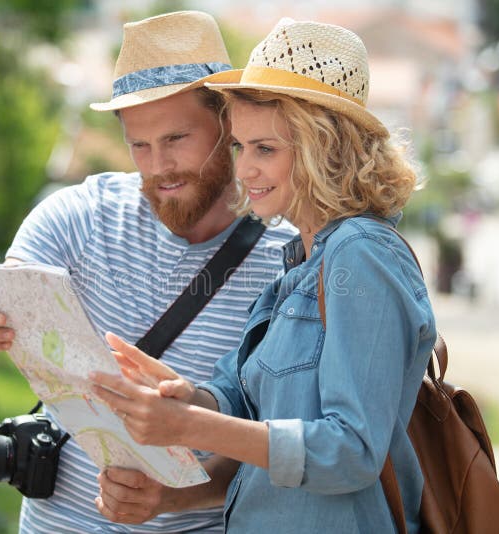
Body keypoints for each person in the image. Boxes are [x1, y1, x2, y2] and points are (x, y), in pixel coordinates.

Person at [0, 11, 296, 533]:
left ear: (228, 124)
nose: (158, 166)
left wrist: (175, 497)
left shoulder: (291, 252)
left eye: (176, 139)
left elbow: (285, 440)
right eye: (139, 146)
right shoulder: (77, 217)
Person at [91, 18, 437, 533]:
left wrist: (190, 423)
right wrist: (185, 396)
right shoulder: (302, 260)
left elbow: (353, 450)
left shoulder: (361, 255)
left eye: (265, 150)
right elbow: (245, 396)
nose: (244, 170)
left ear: (327, 148)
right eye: (239, 147)